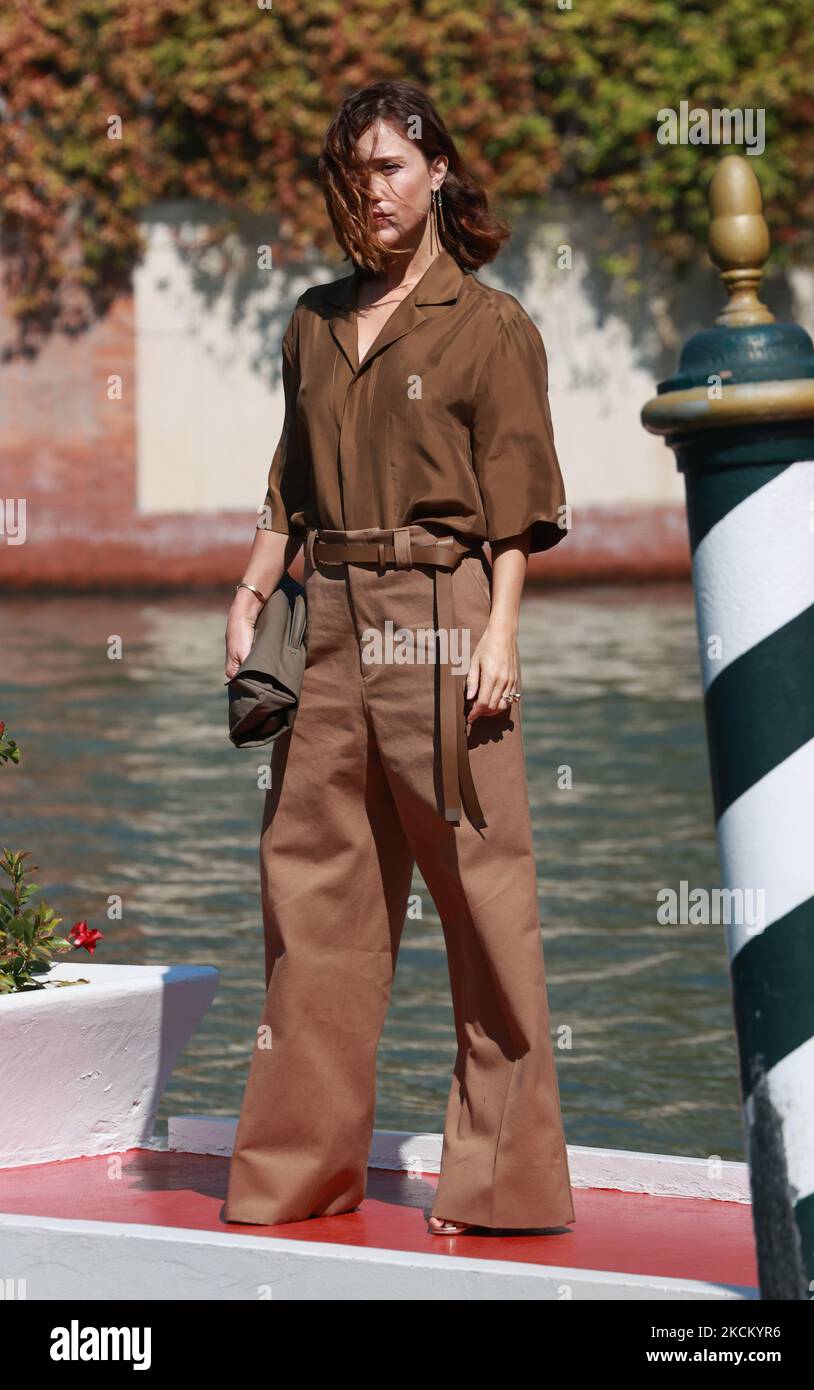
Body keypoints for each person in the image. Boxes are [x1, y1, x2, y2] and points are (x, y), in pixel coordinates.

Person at [222, 79, 575, 1237]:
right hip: (327, 619)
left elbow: (515, 503)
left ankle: (502, 1185)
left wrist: (502, 631)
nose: (371, 189)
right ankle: (294, 1177)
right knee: (312, 902)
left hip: (445, 608)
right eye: (355, 170)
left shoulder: (492, 325)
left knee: (483, 893)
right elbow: (291, 484)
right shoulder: (314, 322)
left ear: (436, 178)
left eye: (391, 167)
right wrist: (251, 587)